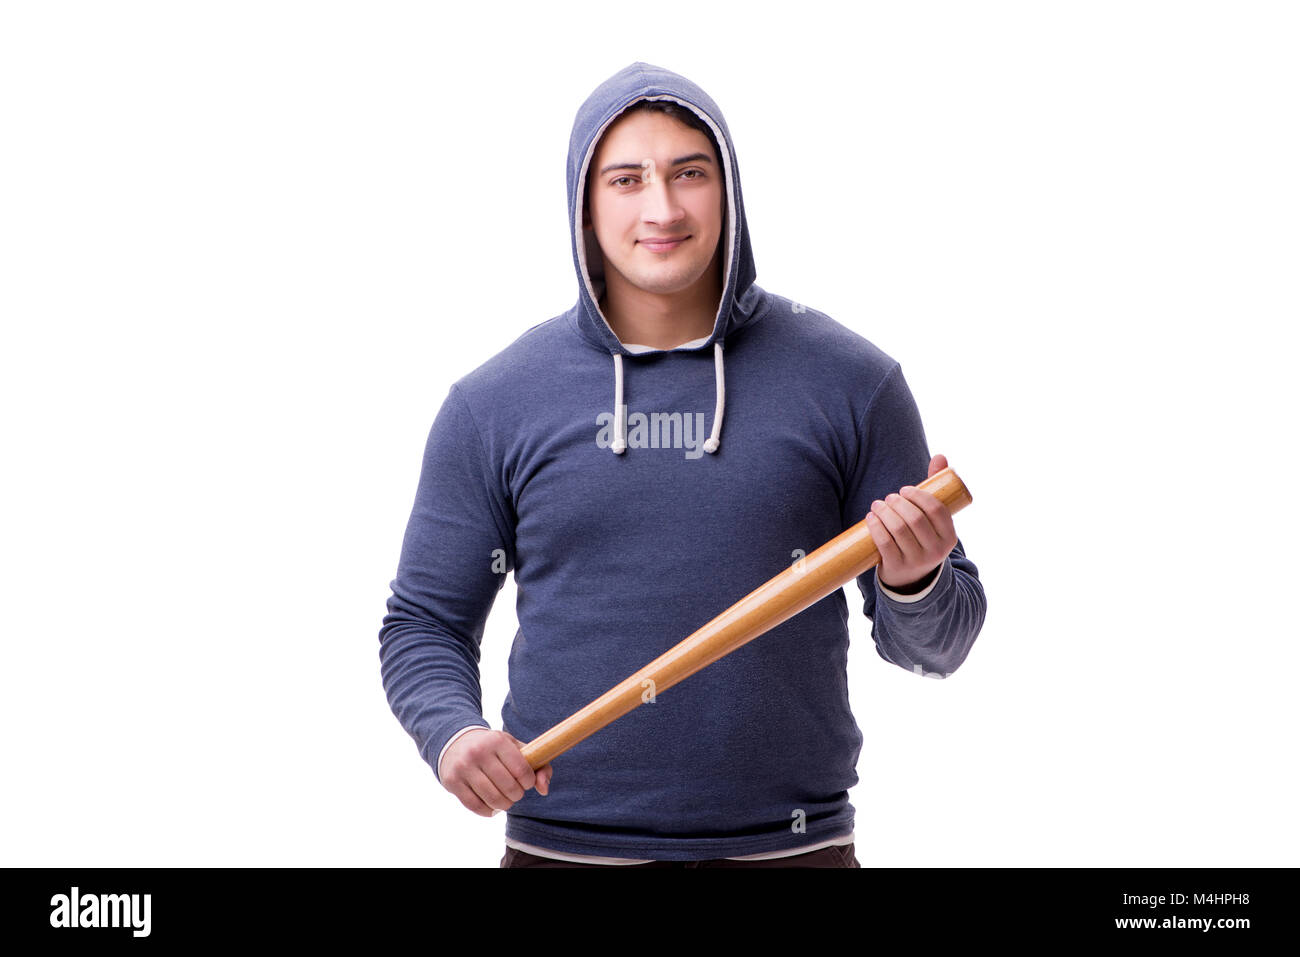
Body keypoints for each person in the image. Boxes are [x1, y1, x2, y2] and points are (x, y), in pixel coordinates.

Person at [377, 61, 987, 868]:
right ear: (584, 206)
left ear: (726, 190)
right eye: (627, 180)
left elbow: (935, 647)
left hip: (797, 850)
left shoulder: (852, 383)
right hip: (562, 851)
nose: (661, 208)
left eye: (688, 174)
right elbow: (424, 623)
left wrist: (916, 580)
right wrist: (452, 730)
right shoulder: (493, 403)